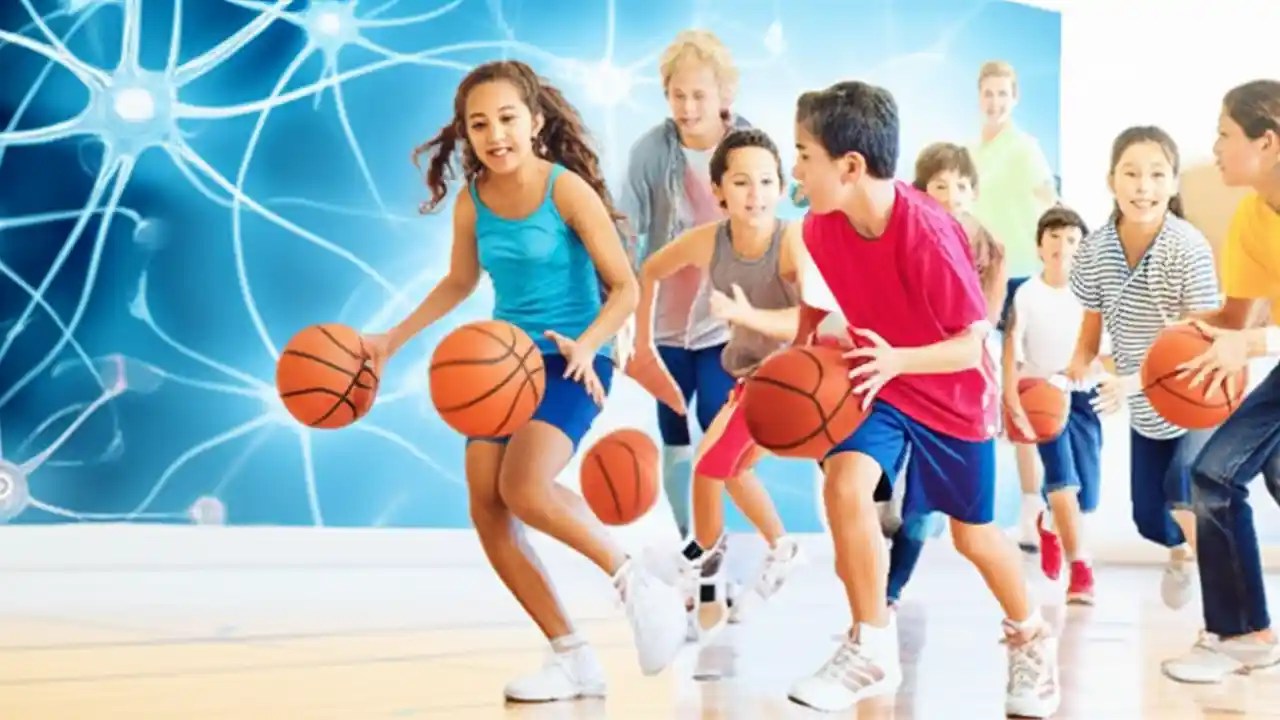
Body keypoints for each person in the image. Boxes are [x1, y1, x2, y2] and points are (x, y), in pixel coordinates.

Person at [362, 60, 686, 703]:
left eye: (507, 118)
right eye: (478, 124)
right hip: (506, 361)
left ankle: (636, 580)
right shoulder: (472, 200)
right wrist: (388, 342)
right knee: (488, 507)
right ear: (467, 135)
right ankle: (572, 659)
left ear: (535, 122)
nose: (494, 133)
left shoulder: (566, 190)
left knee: (524, 486)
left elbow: (626, 287)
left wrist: (587, 345)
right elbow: (458, 283)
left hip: (575, 356)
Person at [785, 80, 1058, 718]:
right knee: (846, 485)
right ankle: (873, 642)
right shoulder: (820, 228)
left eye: (804, 154)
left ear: (849, 167)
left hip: (952, 394)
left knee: (974, 538)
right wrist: (792, 364)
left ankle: (1030, 637)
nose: (796, 168)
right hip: (883, 383)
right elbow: (823, 313)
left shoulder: (928, 234)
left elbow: (970, 347)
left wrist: (898, 360)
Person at [634, 128, 808, 638]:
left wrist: (746, 313)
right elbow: (651, 269)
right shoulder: (712, 239)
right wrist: (642, 343)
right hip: (749, 377)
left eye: (766, 181)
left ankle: (699, 560)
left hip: (788, 380)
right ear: (719, 191)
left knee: (709, 466)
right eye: (741, 182)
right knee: (730, 471)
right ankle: (781, 549)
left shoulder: (789, 242)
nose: (755, 193)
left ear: (780, 188)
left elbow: (812, 320)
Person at [1065, 126, 1222, 611]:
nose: (1143, 186)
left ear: (1173, 184)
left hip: (1198, 392)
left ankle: (1226, 614)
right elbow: (1092, 322)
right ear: (1112, 179)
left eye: (1157, 175)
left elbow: (1198, 342)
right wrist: (1076, 364)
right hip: (1146, 407)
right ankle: (1181, 553)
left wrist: (1131, 382)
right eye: (1131, 173)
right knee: (1149, 520)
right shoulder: (1093, 251)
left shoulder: (1187, 247)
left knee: (1183, 485)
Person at [1161, 79, 1280, 684]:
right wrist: (1182, 330)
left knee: (1214, 473)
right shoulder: (1254, 218)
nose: (1214, 148)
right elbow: (1237, 320)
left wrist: (1251, 343)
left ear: (1268, 142)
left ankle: (1241, 633)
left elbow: (1251, 337)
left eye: (1225, 135)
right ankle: (1250, 632)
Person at [620, 30, 748, 548]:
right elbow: (626, 232)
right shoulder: (651, 152)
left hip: (725, 320)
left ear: (724, 96)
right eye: (678, 95)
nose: (688, 107)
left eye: (700, 95)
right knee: (674, 432)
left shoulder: (747, 147)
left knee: (716, 431)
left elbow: (769, 220)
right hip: (667, 324)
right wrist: (624, 312)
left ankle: (713, 539)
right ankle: (687, 541)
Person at [879, 141, 1008, 608]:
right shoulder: (907, 236)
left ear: (973, 191)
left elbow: (982, 326)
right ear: (921, 191)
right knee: (876, 480)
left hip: (957, 383)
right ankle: (881, 515)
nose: (951, 194)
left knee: (925, 510)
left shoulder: (990, 249)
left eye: (961, 185)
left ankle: (889, 593)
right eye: (939, 185)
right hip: (906, 372)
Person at [971, 60, 1059, 551]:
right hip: (984, 280)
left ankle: (1038, 509)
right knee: (989, 391)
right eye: (989, 93)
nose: (996, 101)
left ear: (1016, 97)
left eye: (1004, 93)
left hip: (1023, 275)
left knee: (1023, 392)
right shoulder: (971, 152)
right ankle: (1024, 509)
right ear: (978, 96)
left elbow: (1051, 201)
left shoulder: (1025, 149)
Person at [1004, 206, 1101, 604]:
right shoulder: (1026, 293)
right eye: (1055, 238)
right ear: (1040, 246)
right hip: (1041, 395)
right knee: (1063, 481)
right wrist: (1010, 397)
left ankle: (1048, 523)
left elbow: (1102, 354)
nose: (1064, 246)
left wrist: (1077, 375)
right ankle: (1081, 570)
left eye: (1073, 240)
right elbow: (1010, 348)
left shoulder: (1093, 294)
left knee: (1088, 496)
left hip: (1083, 395)